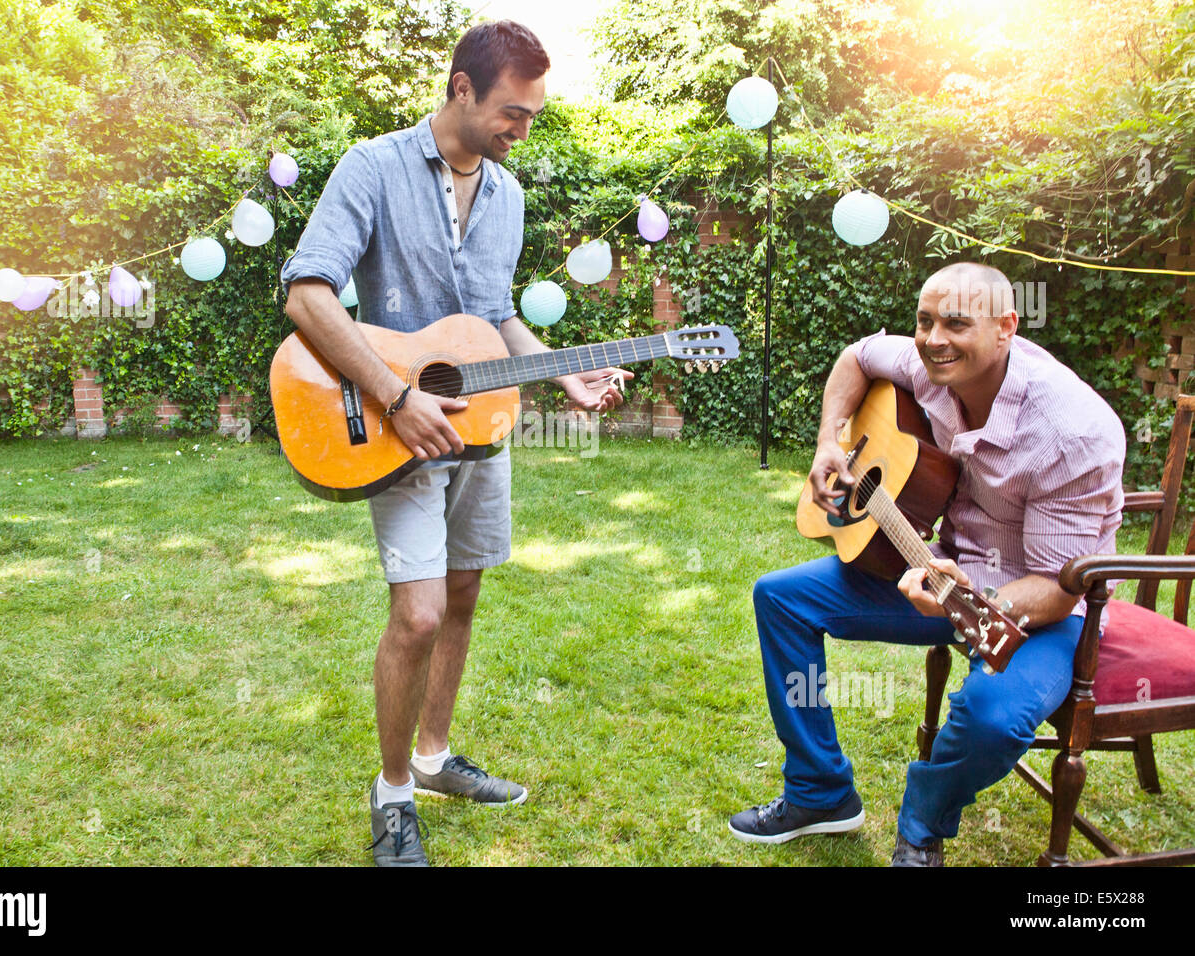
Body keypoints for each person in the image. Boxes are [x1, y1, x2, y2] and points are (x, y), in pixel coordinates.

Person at [281, 20, 630, 866]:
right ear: (462, 88)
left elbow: (495, 315)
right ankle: (393, 790)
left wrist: (561, 376)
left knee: (465, 591)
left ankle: (435, 759)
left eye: (534, 116)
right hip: (393, 426)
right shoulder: (373, 166)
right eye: (513, 112)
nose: (523, 129)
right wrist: (396, 395)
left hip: (481, 426)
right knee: (420, 613)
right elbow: (306, 294)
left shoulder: (506, 194)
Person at [728, 262, 1125, 865]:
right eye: (925, 320)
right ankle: (820, 792)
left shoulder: (1072, 433)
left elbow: (1057, 588)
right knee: (780, 597)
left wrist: (965, 598)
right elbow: (858, 357)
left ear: (1006, 328)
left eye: (956, 323)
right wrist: (830, 440)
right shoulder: (930, 364)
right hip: (938, 567)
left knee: (993, 720)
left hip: (1042, 609)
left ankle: (922, 821)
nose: (934, 338)